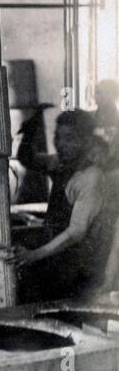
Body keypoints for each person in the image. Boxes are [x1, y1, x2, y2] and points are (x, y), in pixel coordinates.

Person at [12, 113, 119, 301]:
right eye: (57, 137)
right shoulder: (59, 163)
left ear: (85, 141)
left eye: (69, 138)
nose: (60, 144)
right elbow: (28, 159)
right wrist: (29, 132)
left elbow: (75, 233)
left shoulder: (90, 177)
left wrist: (33, 255)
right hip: (58, 258)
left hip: (80, 270)